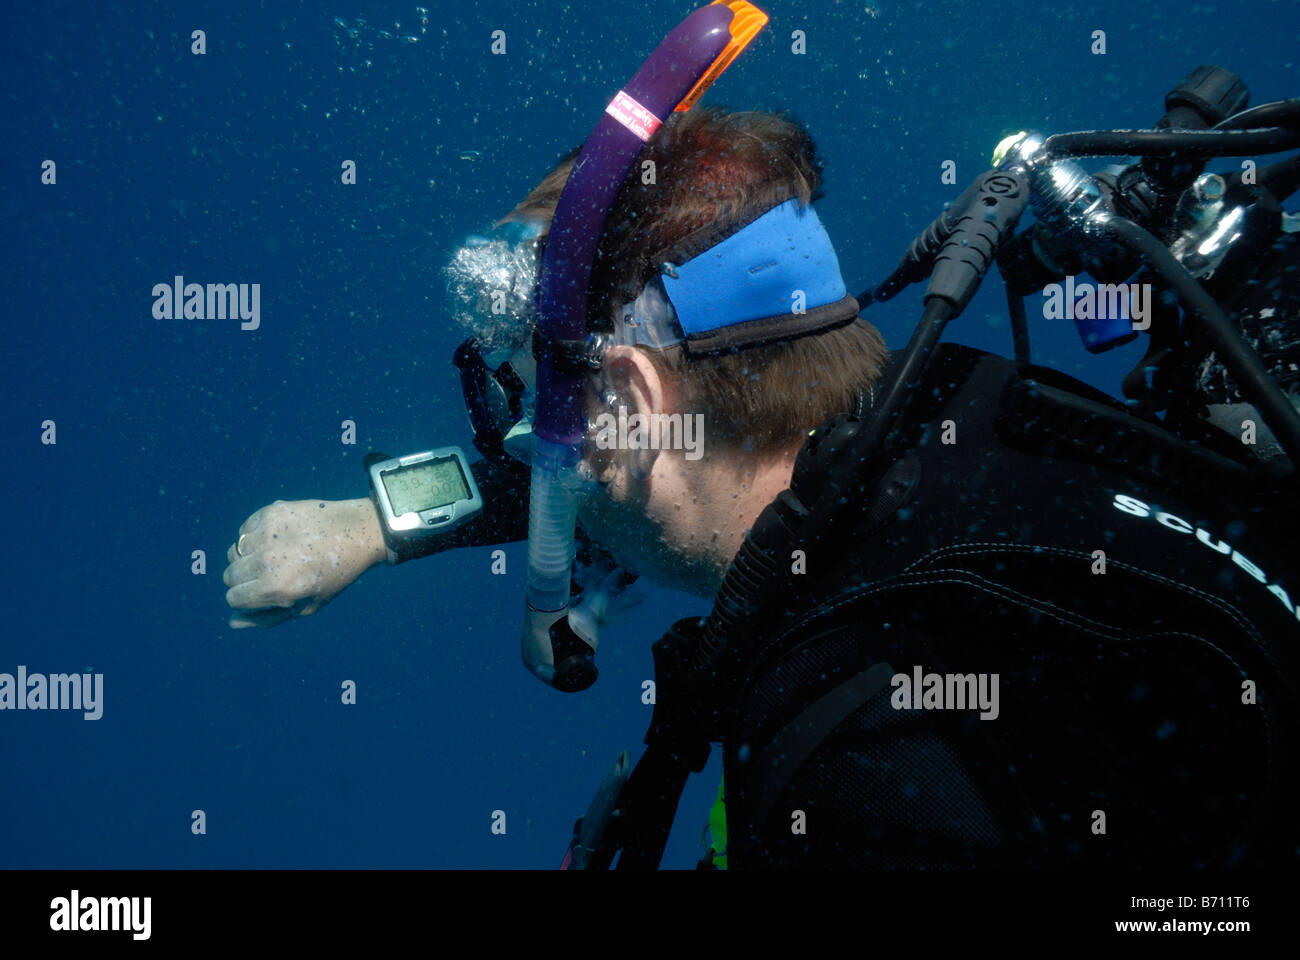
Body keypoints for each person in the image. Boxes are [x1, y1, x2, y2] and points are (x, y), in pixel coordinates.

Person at [226, 101, 1300, 869]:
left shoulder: (862, 765)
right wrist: (380, 523)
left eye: (523, 400)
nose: (522, 445)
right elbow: (624, 454)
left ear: (633, 400)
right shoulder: (965, 400)